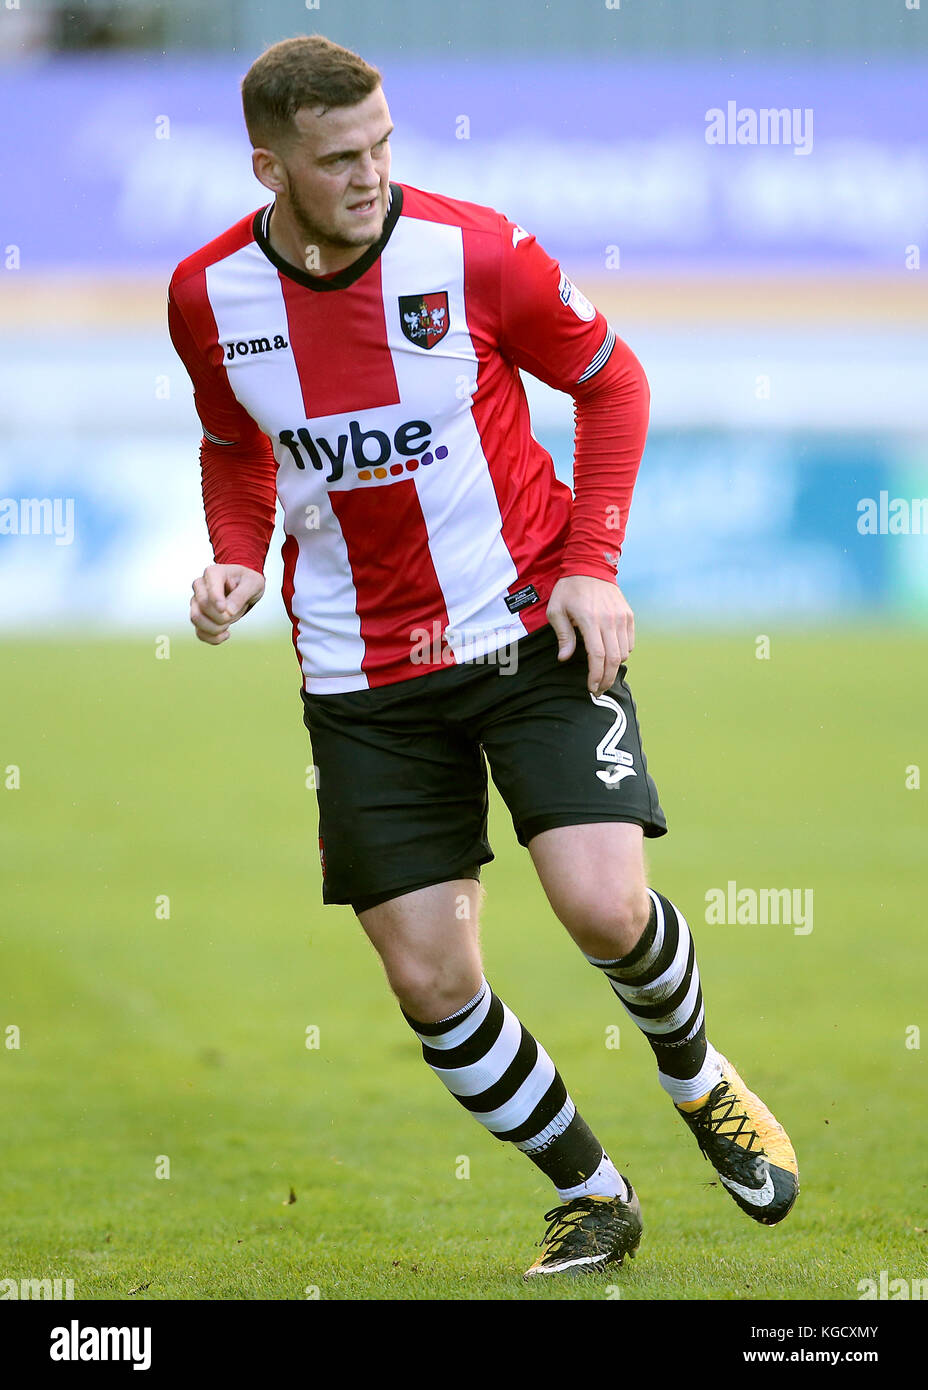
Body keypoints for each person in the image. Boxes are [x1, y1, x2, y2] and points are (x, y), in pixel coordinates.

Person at [168, 33, 798, 1280]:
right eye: (338, 157)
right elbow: (234, 445)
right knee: (429, 978)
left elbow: (614, 386)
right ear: (268, 167)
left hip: (525, 628)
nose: (370, 173)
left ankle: (697, 1077)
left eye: (384, 144)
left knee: (604, 905)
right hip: (360, 677)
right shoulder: (206, 297)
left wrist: (593, 561)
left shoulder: (477, 251)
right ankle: (592, 1191)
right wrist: (235, 553)